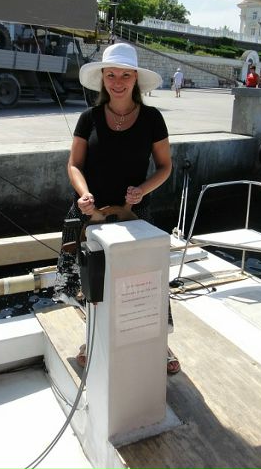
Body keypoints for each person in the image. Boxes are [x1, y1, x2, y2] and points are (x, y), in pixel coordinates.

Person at [54, 42, 180, 374]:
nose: (118, 82)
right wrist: (83, 194)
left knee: (146, 279)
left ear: (135, 78)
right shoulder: (88, 118)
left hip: (135, 214)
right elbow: (74, 165)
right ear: (103, 78)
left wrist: (142, 190)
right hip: (89, 215)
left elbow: (165, 167)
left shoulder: (153, 119)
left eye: (125, 75)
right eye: (111, 75)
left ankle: (159, 342)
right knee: (92, 282)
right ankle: (92, 338)